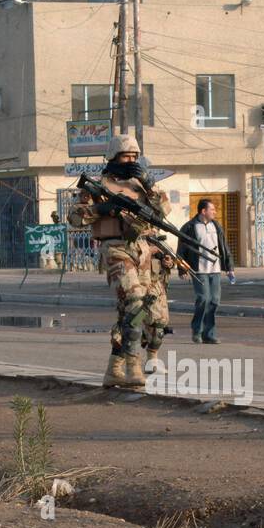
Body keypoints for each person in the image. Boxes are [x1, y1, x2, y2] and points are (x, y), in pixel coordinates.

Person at [67, 134, 174, 387]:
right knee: (135, 302)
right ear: (114, 157)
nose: (131, 161)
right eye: (126, 156)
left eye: (135, 157)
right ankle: (133, 366)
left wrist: (149, 183)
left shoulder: (142, 185)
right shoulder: (97, 184)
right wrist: (102, 210)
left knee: (135, 311)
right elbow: (74, 218)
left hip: (143, 250)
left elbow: (164, 211)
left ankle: (114, 367)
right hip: (115, 248)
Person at [180, 199, 233, 344]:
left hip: (215, 270)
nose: (215, 212)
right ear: (203, 211)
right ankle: (197, 331)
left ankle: (209, 334)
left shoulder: (216, 225)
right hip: (198, 270)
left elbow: (224, 247)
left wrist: (229, 267)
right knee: (203, 299)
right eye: (213, 209)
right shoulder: (189, 227)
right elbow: (181, 250)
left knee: (214, 301)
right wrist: (182, 268)